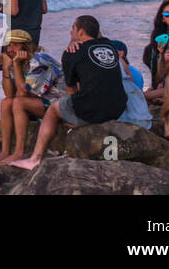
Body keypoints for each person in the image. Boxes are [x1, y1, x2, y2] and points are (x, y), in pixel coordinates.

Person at [12, 16, 127, 170]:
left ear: (81, 32)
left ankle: (35, 158)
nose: (70, 32)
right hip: (117, 108)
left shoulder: (71, 54)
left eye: (73, 28)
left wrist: (69, 114)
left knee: (53, 109)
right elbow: (96, 36)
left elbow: (71, 91)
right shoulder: (109, 46)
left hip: (93, 110)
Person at [0, 30, 64, 165]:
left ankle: (19, 152)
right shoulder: (16, 60)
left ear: (26, 47)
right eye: (9, 45)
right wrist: (6, 69)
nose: (10, 49)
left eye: (15, 45)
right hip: (40, 100)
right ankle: (5, 151)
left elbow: (23, 92)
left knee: (19, 103)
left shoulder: (39, 60)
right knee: (5, 103)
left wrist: (16, 65)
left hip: (58, 104)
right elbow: (9, 95)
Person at [111, 40, 152, 129]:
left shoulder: (124, 72)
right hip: (139, 111)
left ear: (121, 53)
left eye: (110, 50)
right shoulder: (134, 70)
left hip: (131, 114)